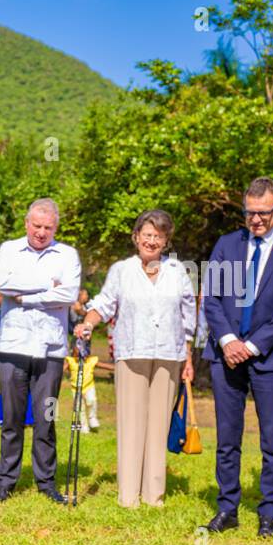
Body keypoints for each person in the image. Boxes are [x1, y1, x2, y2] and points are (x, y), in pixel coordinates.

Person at [200, 177, 273, 538]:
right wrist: (229, 340)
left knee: (272, 440)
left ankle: (268, 514)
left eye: (264, 213)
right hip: (226, 355)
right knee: (228, 437)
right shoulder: (227, 245)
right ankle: (227, 508)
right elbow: (212, 298)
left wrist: (252, 345)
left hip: (269, 358)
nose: (256, 220)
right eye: (250, 212)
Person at [76, 209, 196, 507]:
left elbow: (189, 316)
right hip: (132, 353)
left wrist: (189, 357)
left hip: (169, 355)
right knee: (131, 424)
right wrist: (88, 324)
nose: (151, 241)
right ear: (136, 237)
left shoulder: (179, 270)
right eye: (147, 234)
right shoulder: (122, 270)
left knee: (158, 425)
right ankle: (128, 496)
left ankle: (154, 495)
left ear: (166, 240)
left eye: (158, 236)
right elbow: (104, 304)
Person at [0, 198, 82, 504]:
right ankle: (6, 482)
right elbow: (3, 283)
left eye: (48, 227)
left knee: (47, 417)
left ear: (55, 227)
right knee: (12, 419)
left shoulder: (67, 255)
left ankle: (46, 482)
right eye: (37, 226)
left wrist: (26, 295)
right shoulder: (9, 250)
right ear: (26, 224)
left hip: (51, 348)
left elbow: (69, 293)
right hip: (14, 345)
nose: (41, 232)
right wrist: (48, 286)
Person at [62, 346, 112, 434]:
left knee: (92, 401)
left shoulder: (91, 361)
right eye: (77, 356)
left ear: (87, 355)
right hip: (76, 389)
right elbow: (62, 369)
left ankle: (92, 417)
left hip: (89, 386)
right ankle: (84, 426)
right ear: (73, 355)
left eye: (83, 356)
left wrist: (118, 367)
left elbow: (104, 366)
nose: (80, 358)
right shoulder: (70, 361)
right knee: (79, 408)